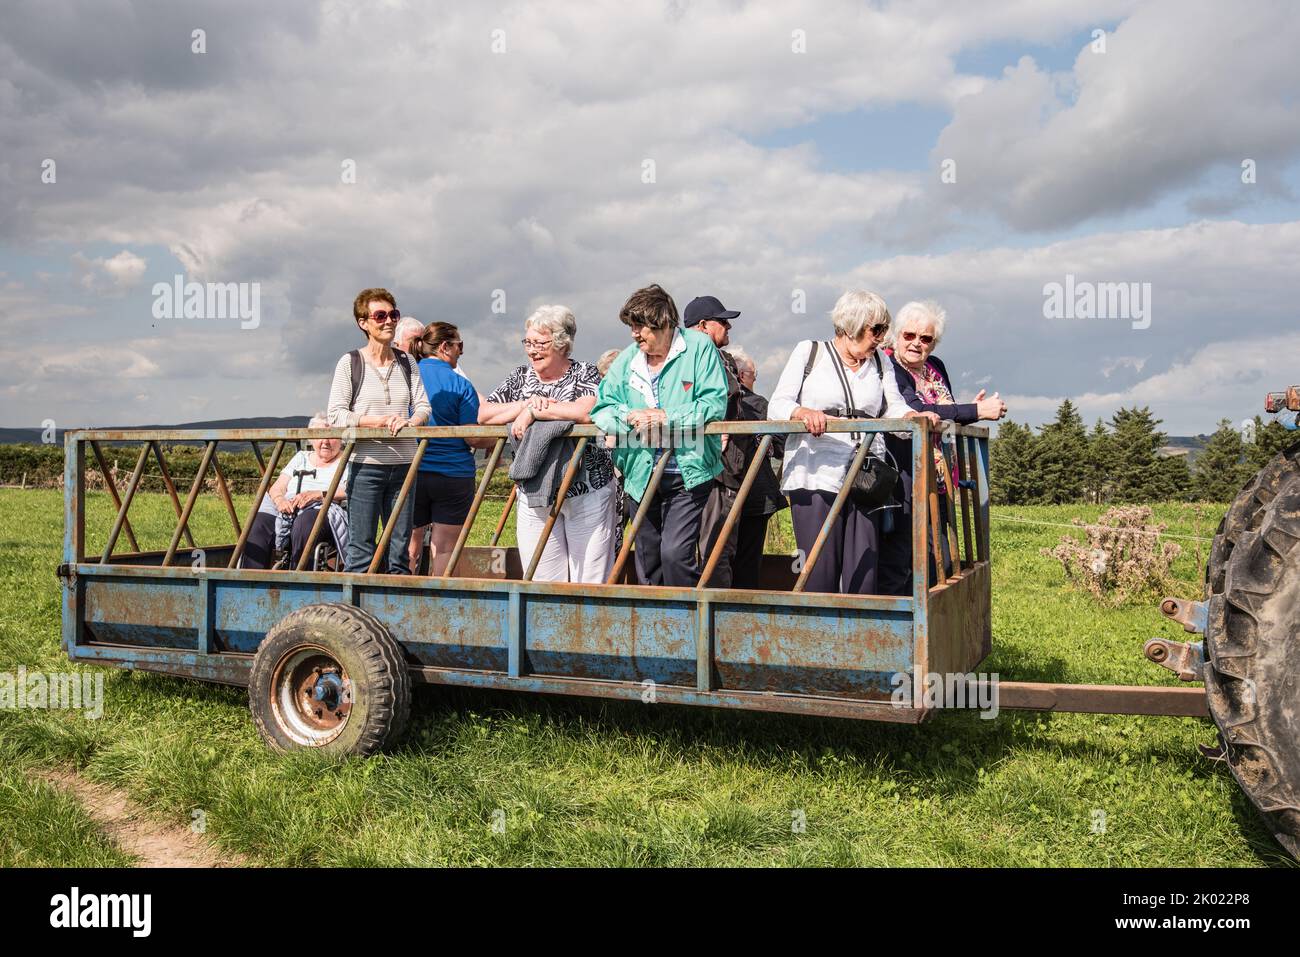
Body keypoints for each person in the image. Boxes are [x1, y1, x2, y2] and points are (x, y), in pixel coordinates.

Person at [768, 290, 938, 594]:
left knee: (864, 571)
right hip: (816, 474)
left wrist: (913, 415)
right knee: (819, 570)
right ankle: (818, 637)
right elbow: (777, 404)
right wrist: (802, 412)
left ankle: (859, 639)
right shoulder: (810, 352)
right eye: (877, 329)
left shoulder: (879, 364)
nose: (881, 337)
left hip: (867, 477)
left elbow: (893, 407)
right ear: (851, 326)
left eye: (884, 329)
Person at [591, 284, 728, 587]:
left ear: (663, 323)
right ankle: (656, 626)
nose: (633, 333)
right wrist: (628, 417)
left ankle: (690, 624)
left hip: (688, 471)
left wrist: (667, 417)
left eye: (639, 326)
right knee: (648, 558)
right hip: (640, 472)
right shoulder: (627, 360)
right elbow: (602, 408)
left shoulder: (698, 348)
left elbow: (713, 404)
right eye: (631, 326)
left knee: (675, 554)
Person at [479, 305, 617, 582]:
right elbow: (484, 414)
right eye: (528, 342)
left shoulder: (585, 373)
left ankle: (587, 625)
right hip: (534, 490)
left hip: (586, 489)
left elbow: (587, 411)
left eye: (540, 343)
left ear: (561, 343)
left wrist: (535, 413)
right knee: (542, 579)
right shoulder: (520, 377)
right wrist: (527, 403)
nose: (532, 350)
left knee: (589, 580)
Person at [878, 299, 1007, 594]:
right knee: (901, 555)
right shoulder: (889, 367)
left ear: (933, 345)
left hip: (938, 475)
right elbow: (918, 409)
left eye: (926, 339)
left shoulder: (936, 367)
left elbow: (943, 409)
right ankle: (902, 630)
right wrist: (976, 411)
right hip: (902, 475)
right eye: (909, 336)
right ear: (897, 335)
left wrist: (966, 408)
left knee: (941, 557)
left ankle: (934, 627)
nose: (916, 344)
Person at [327, 287, 431, 575]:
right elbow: (336, 415)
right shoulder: (351, 363)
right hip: (366, 467)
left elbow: (423, 405)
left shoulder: (407, 362)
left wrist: (411, 422)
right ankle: (353, 617)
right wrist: (377, 421)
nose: (389, 321)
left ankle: (397, 614)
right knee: (361, 550)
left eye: (393, 314)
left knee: (400, 550)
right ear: (364, 323)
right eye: (380, 315)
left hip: (404, 467)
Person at [409, 322, 495, 575]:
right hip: (453, 474)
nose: (461, 352)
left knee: (408, 545)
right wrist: (495, 441)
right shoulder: (460, 384)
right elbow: (472, 437)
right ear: (445, 347)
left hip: (411, 472)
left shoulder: (407, 378)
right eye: (460, 345)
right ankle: (440, 607)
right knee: (445, 548)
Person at [683, 296, 745, 588]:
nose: (728, 326)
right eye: (723, 321)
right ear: (704, 325)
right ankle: (712, 624)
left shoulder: (721, 358)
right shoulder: (689, 358)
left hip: (727, 468)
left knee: (722, 549)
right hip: (711, 467)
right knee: (712, 550)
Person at [242, 414, 349, 569]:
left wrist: (319, 494)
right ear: (311, 439)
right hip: (288, 504)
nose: (325, 441)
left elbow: (349, 489)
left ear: (341, 439)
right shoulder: (301, 457)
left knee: (304, 524)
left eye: (332, 435)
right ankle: (250, 584)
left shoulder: (347, 460)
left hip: (322, 507)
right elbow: (278, 487)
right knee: (258, 524)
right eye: (319, 435)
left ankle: (297, 581)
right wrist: (280, 501)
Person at [724, 347, 788, 589]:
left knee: (717, 556)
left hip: (720, 493)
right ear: (741, 376)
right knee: (748, 560)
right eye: (753, 375)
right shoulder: (758, 404)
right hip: (755, 495)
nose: (755, 380)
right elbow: (780, 444)